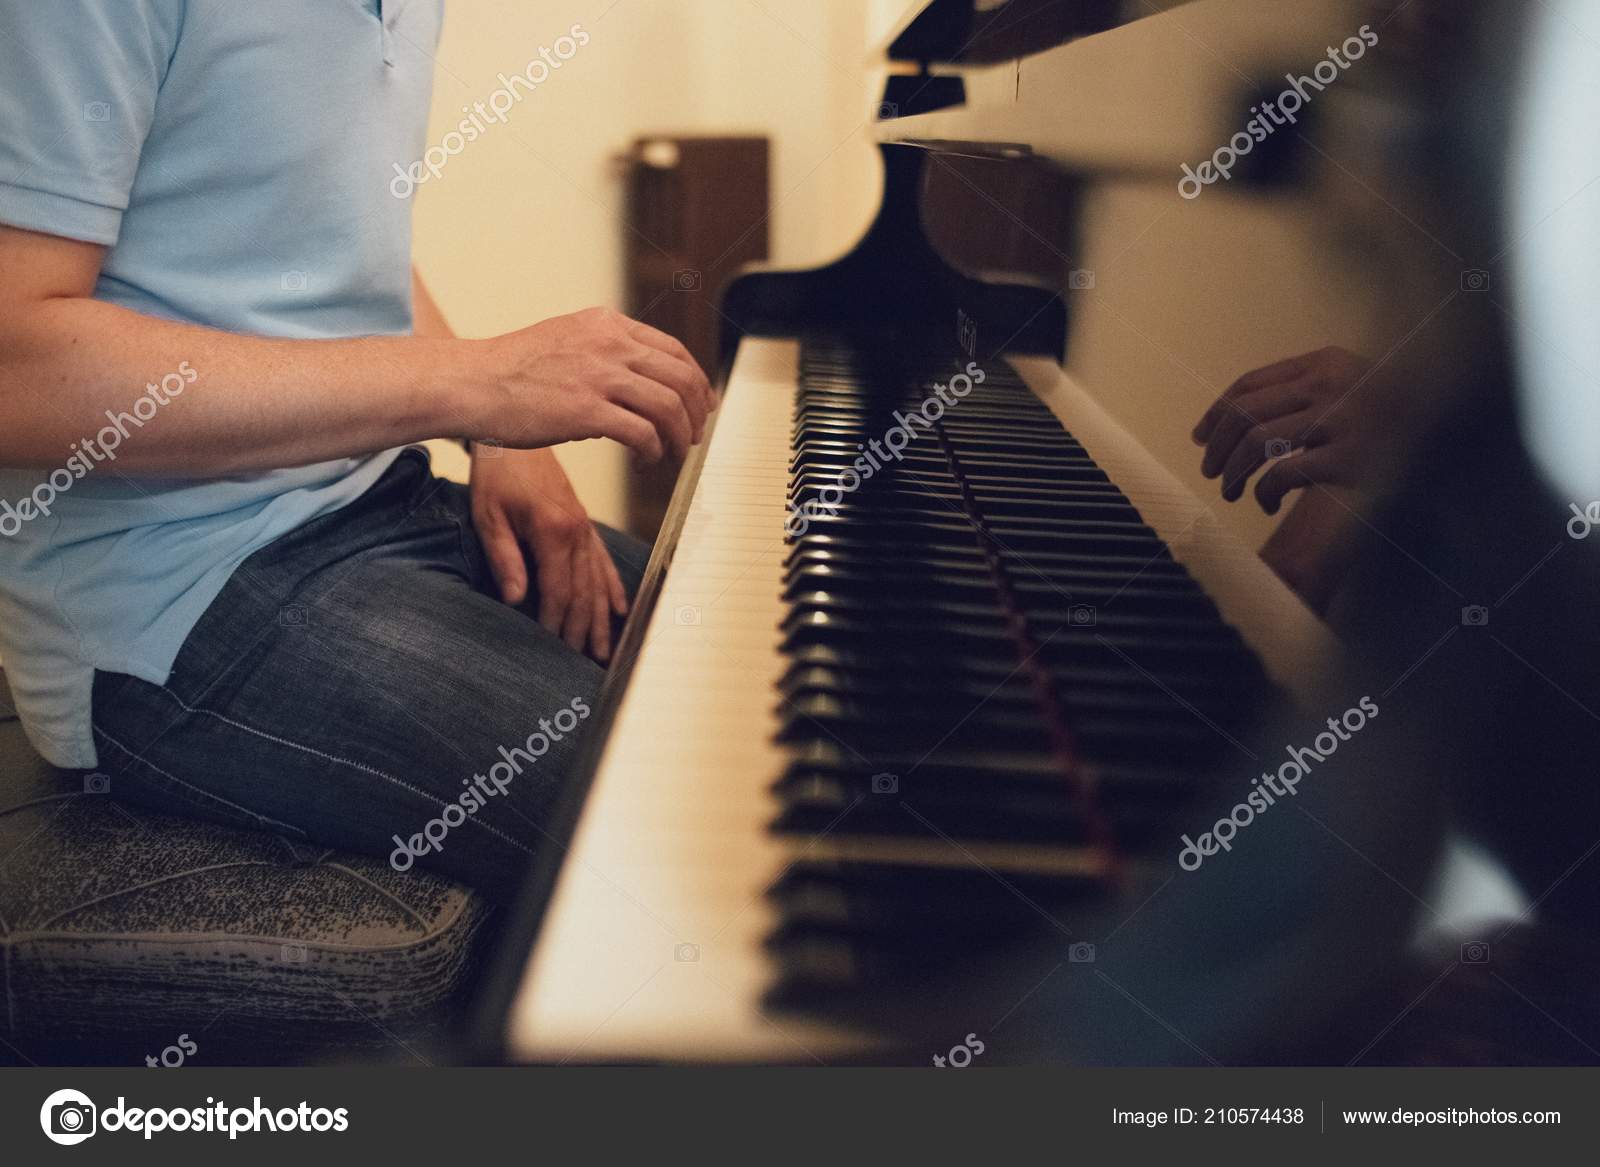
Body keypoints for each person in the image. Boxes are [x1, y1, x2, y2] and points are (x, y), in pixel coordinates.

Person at [0, 1, 712, 897]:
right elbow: (15, 366)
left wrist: (493, 429)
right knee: (688, 821)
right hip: (173, 593)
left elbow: (312, 230)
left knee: (750, 696)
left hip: (377, 497)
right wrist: (472, 381)